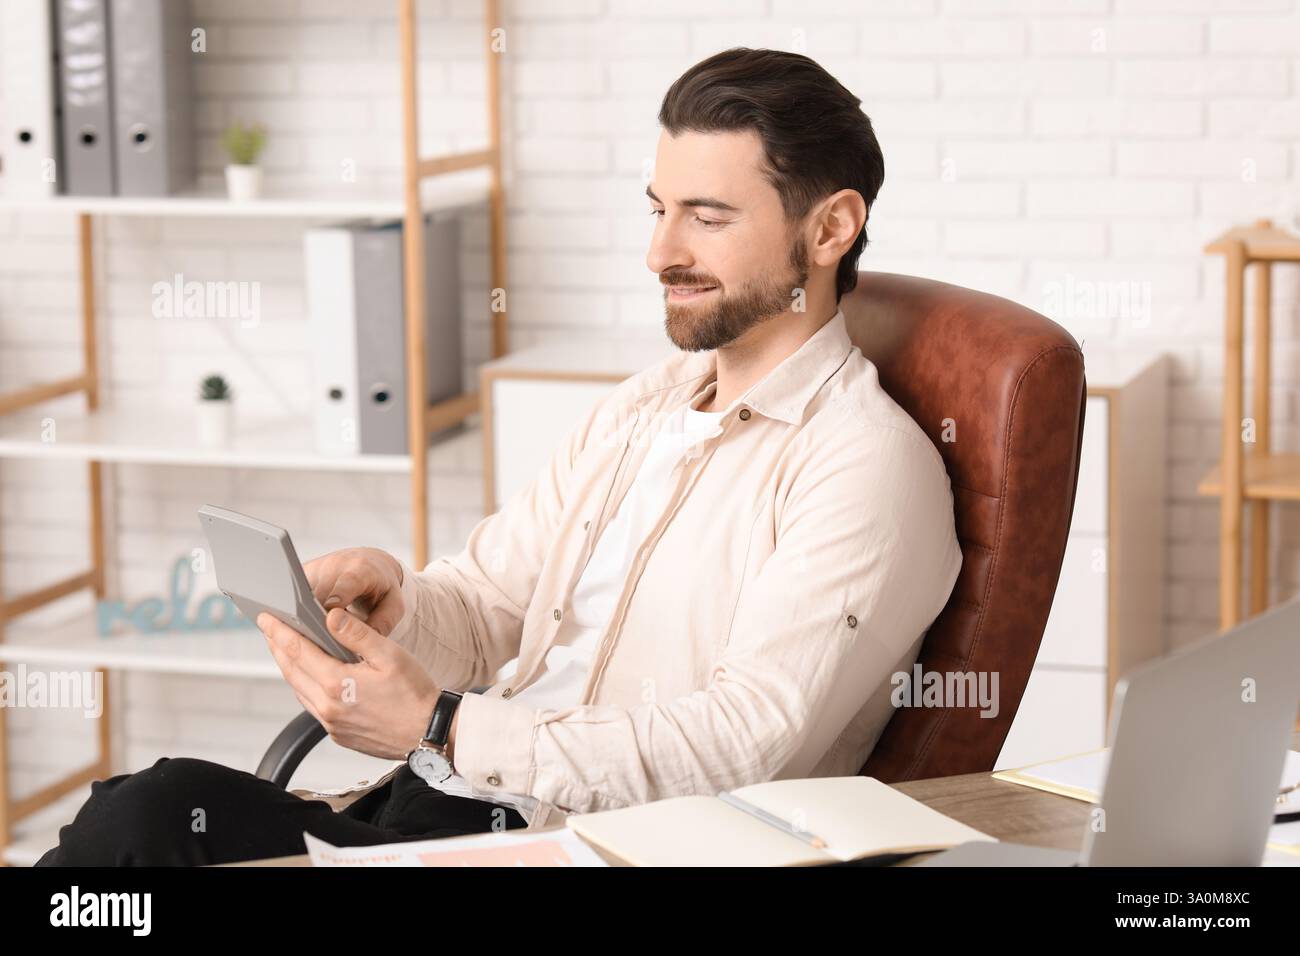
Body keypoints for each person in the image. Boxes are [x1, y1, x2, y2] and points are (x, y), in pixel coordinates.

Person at [38, 46, 961, 866]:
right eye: (657, 210)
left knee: (148, 826)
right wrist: (397, 609)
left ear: (831, 228)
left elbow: (741, 743)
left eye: (708, 219)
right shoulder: (642, 408)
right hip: (441, 804)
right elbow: (487, 611)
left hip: (583, 843)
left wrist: (440, 724)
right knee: (143, 809)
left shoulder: (864, 464)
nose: (659, 253)